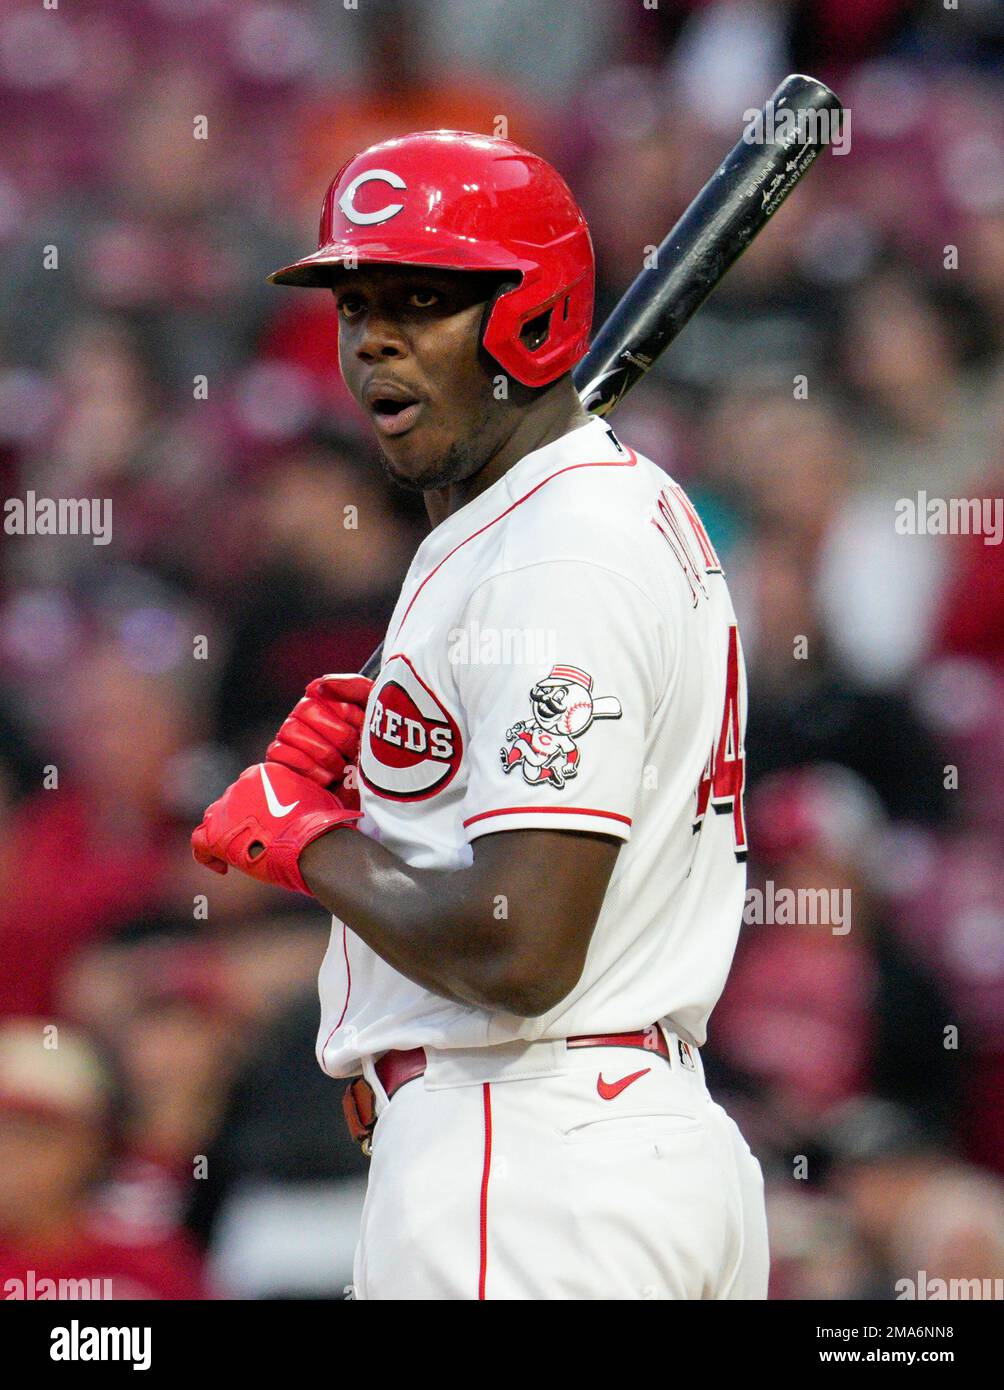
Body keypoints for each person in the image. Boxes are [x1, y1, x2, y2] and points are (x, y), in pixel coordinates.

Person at [192, 130, 769, 1300]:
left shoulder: (549, 552)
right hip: (611, 1148)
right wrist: (410, 771)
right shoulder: (586, 513)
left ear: (535, 318)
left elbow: (520, 944)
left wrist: (305, 837)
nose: (376, 340)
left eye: (423, 300)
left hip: (530, 1155)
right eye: (357, 306)